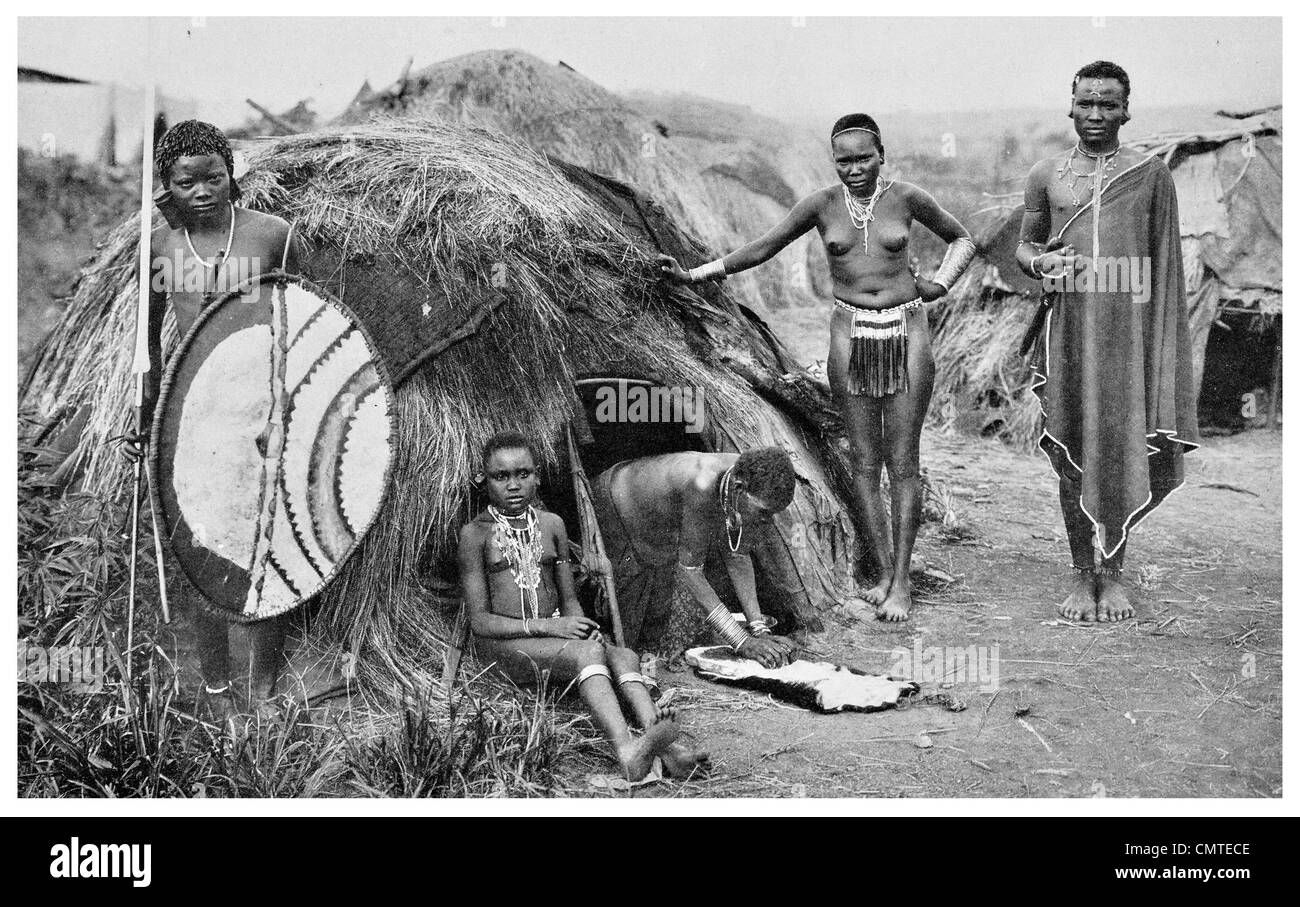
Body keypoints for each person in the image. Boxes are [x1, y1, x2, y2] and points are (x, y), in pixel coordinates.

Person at [659, 115, 975, 621]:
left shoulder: (908, 197)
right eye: (843, 160)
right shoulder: (821, 206)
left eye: (863, 158)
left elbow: (964, 240)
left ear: (881, 155)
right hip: (849, 331)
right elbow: (764, 247)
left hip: (907, 328)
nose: (853, 169)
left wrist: (941, 284)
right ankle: (885, 569)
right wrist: (695, 275)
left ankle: (901, 584)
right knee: (865, 463)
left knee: (903, 462)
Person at [125, 120, 300, 716]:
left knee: (265, 545)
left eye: (213, 177)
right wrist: (147, 418)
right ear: (166, 187)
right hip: (190, 413)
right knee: (199, 552)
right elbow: (146, 342)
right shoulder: (161, 246)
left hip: (258, 410)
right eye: (184, 181)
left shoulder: (273, 236)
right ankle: (218, 687)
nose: (201, 190)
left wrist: (288, 410)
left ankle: (263, 687)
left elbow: (300, 321)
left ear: (233, 176)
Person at [1015, 62, 1198, 622]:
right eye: (1087, 103)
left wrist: (1156, 345)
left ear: (1126, 110)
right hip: (1070, 332)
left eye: (1108, 104)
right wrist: (1041, 260)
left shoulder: (1150, 174)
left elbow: (1164, 265)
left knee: (1125, 447)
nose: (1096, 114)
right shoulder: (1046, 174)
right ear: (1070, 107)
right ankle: (1080, 573)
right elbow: (1024, 248)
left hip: (1129, 336)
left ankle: (1113, 576)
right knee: (1073, 449)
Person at [458, 431, 707, 781]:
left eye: (523, 474)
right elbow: (480, 622)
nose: (513, 485)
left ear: (538, 475)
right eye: (501, 477)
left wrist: (584, 628)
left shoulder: (552, 525)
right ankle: (627, 751)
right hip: (503, 648)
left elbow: (569, 599)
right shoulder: (475, 535)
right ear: (485, 481)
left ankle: (666, 749)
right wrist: (548, 627)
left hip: (552, 639)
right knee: (586, 656)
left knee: (623, 656)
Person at [592, 448, 799, 666]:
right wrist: (741, 641)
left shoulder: (743, 482)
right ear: (739, 489)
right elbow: (690, 571)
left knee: (654, 614)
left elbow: (738, 553)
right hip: (613, 501)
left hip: (652, 516)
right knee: (622, 625)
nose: (769, 521)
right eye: (764, 512)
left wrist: (759, 629)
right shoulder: (702, 484)